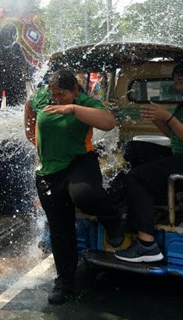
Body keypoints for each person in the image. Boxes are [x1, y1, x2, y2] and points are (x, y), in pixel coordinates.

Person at [25, 69, 123, 304]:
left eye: (62, 95)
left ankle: (112, 220)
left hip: (79, 161)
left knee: (84, 195)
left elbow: (109, 122)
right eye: (53, 93)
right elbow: (29, 106)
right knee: (60, 230)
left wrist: (73, 109)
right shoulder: (43, 97)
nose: (56, 99)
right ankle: (65, 284)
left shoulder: (84, 102)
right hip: (49, 171)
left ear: (75, 91)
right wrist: (31, 134)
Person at [115, 60, 183, 263]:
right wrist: (158, 119)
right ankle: (150, 198)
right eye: (176, 82)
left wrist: (168, 117)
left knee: (136, 178)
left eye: (182, 82)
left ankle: (147, 245)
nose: (179, 86)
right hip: (182, 154)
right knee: (133, 149)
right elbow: (174, 135)